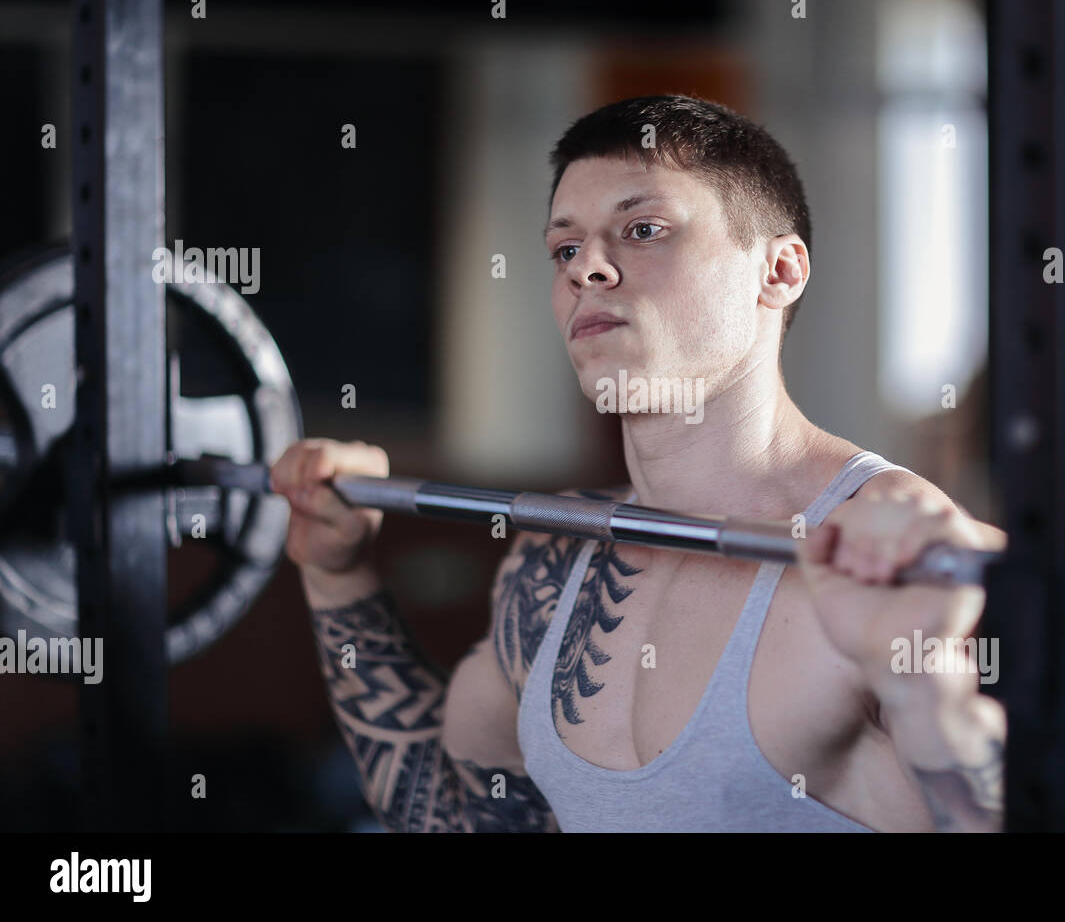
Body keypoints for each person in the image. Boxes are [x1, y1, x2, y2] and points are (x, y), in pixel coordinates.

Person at [270, 94, 1008, 832]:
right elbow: (457, 818)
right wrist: (338, 574)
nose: (587, 268)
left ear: (779, 270)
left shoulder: (900, 550)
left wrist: (927, 695)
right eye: (565, 248)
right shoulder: (554, 559)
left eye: (643, 229)